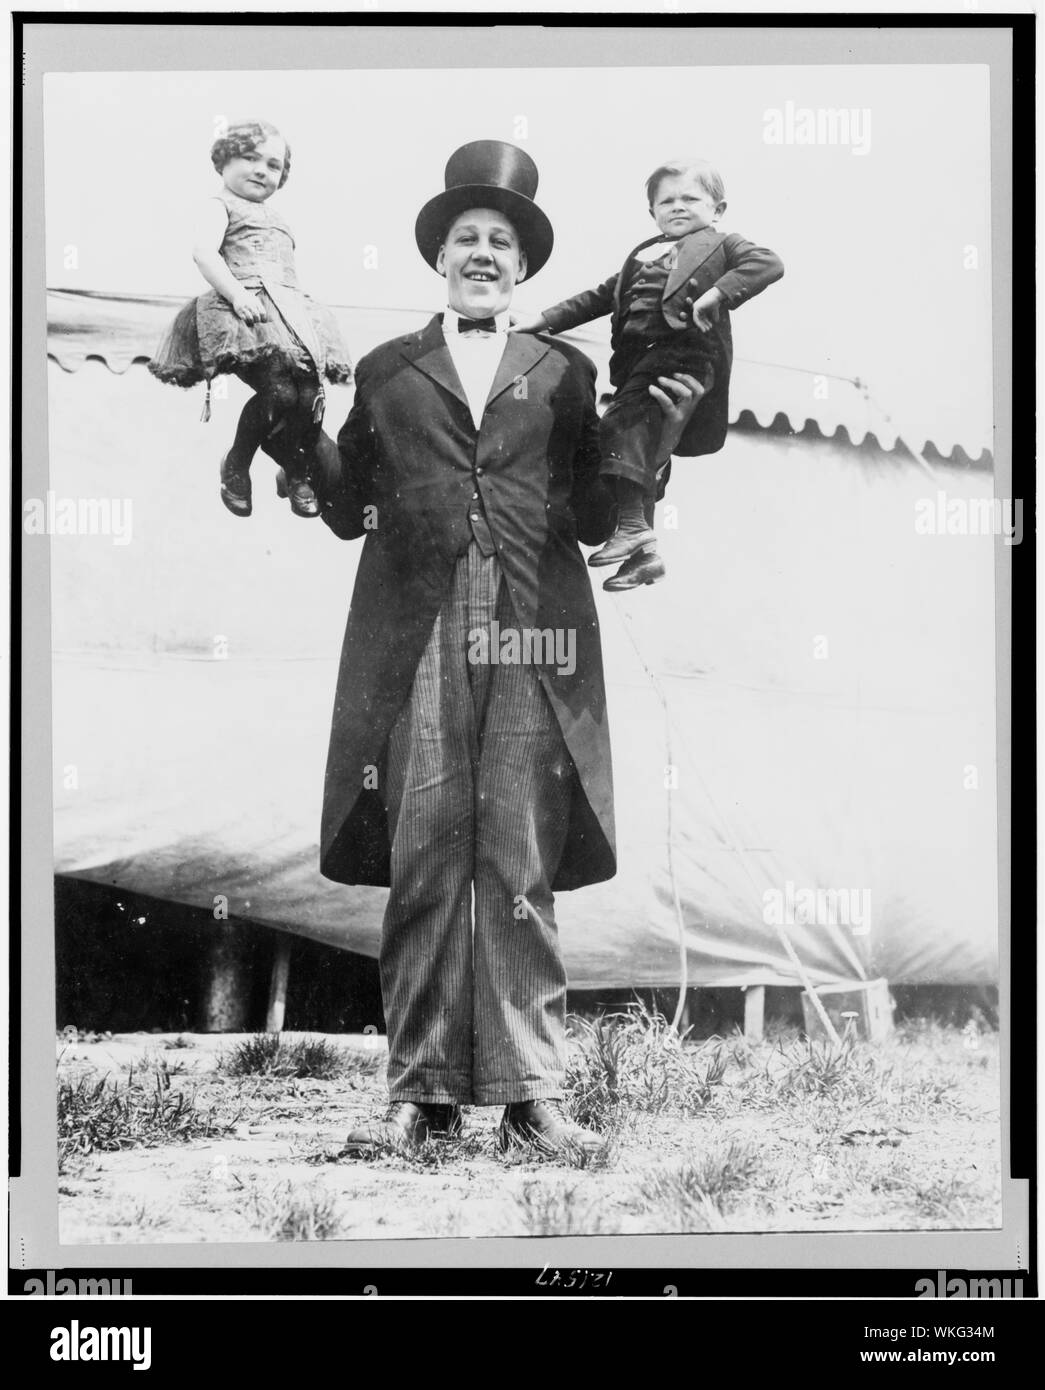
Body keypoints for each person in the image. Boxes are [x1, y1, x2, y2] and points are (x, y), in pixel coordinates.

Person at [310, 141, 704, 1158]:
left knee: (518, 852)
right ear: (439, 256)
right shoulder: (389, 369)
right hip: (416, 625)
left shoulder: (567, 370)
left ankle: (534, 1098)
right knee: (426, 847)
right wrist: (293, 444)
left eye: (500, 240)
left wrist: (644, 475)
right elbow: (348, 503)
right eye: (464, 238)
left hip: (535, 621)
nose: (481, 253)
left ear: (522, 265)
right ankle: (421, 1096)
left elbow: (588, 506)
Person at [512, 157, 783, 591]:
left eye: (690, 199)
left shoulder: (722, 245)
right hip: (640, 361)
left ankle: (634, 526)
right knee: (639, 438)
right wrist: (541, 320)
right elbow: (595, 299)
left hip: (685, 354)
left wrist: (716, 293)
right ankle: (646, 556)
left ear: (718, 209)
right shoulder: (642, 255)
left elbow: (768, 263)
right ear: (652, 212)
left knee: (620, 426)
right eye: (666, 201)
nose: (678, 207)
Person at [147, 118, 353, 519]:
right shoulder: (219, 205)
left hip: (289, 312)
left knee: (311, 396)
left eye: (273, 165)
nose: (262, 169)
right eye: (250, 157)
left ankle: (295, 471)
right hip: (246, 311)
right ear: (223, 162)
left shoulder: (279, 219)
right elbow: (204, 253)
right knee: (281, 393)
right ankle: (237, 463)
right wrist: (238, 295)